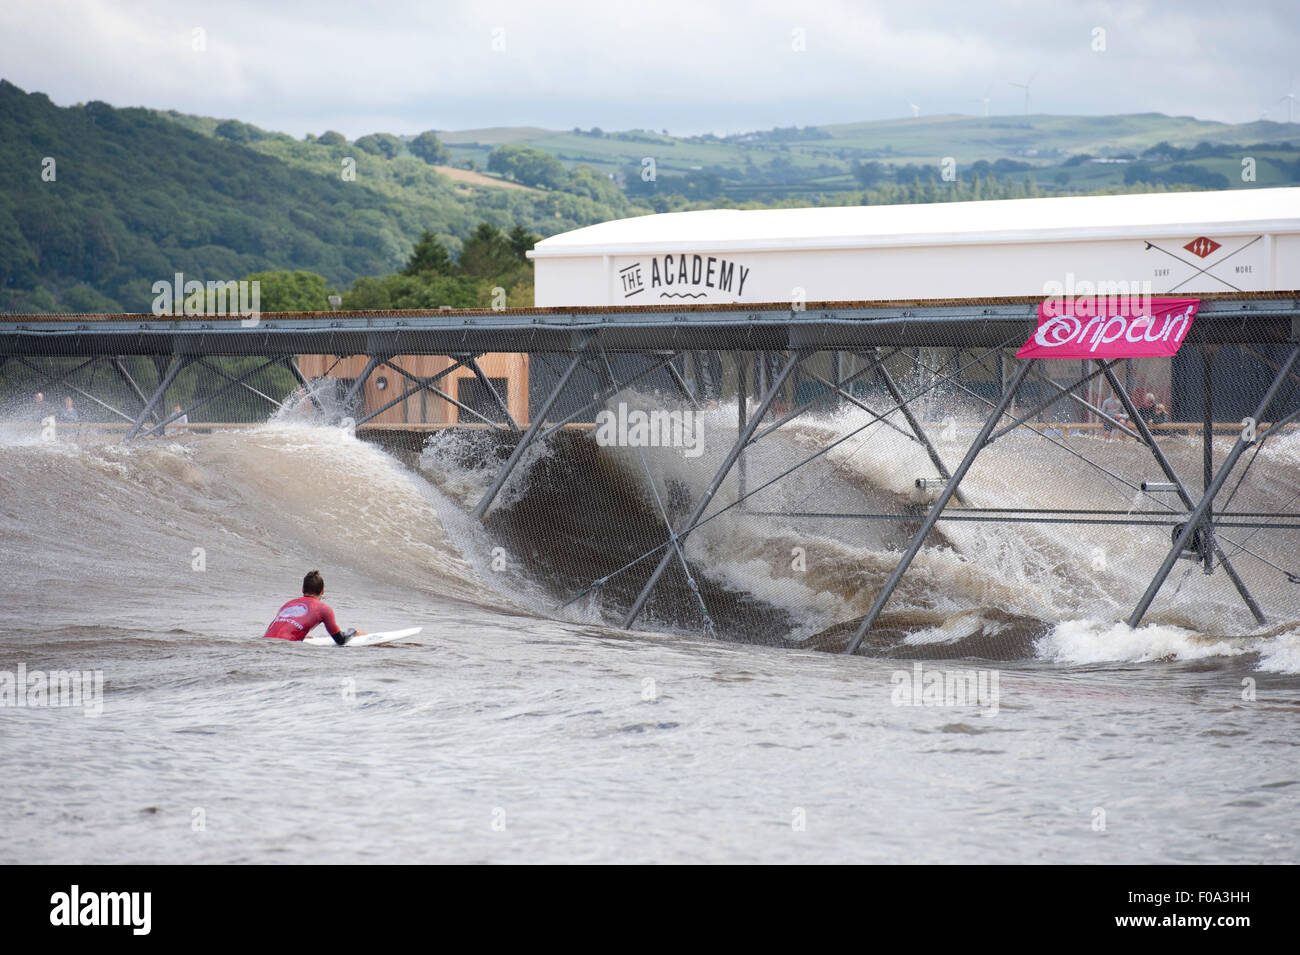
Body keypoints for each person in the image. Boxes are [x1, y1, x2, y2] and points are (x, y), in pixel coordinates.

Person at [263, 570, 365, 644]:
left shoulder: (287, 604)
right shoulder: (323, 608)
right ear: (323, 591)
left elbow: (276, 630)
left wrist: (300, 635)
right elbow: (340, 640)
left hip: (265, 643)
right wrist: (353, 632)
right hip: (284, 647)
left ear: (302, 589)